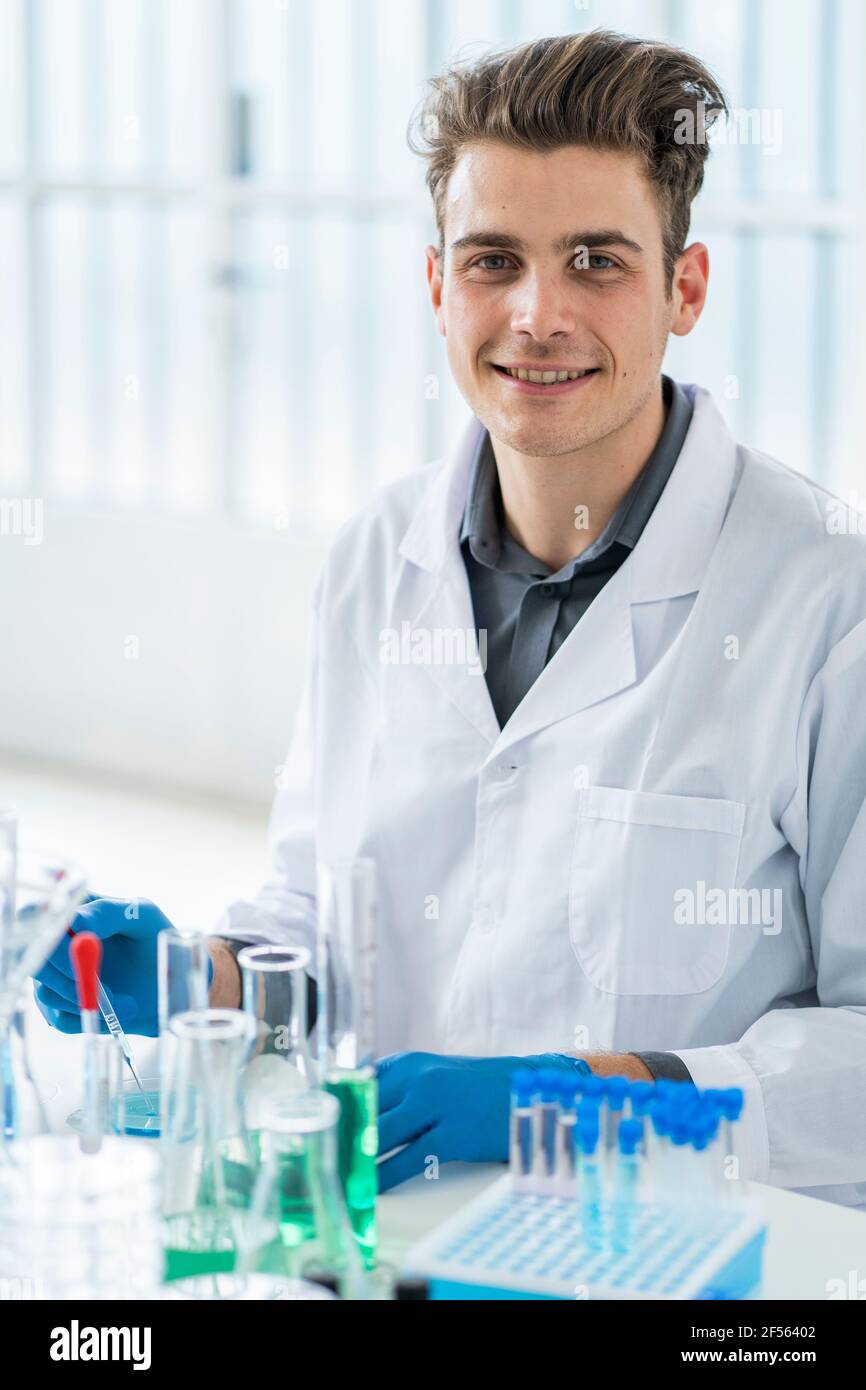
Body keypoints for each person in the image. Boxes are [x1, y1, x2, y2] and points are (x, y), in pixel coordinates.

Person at [34, 31, 866, 1205]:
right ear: (436, 285)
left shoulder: (826, 601)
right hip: (397, 1233)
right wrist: (202, 978)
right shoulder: (380, 559)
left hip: (674, 1263)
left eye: (594, 260)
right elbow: (323, 917)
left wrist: (583, 1099)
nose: (536, 314)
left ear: (683, 290)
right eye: (491, 260)